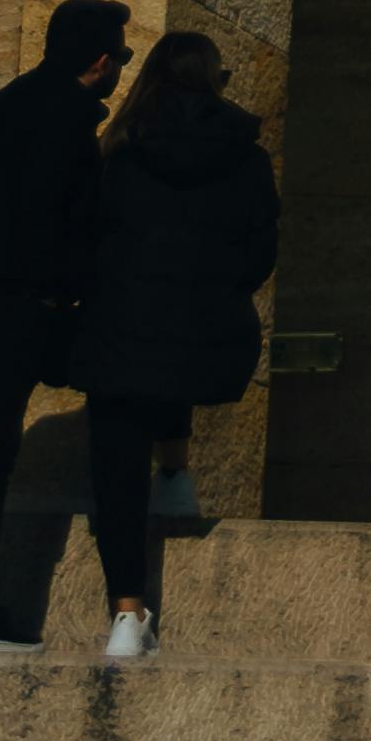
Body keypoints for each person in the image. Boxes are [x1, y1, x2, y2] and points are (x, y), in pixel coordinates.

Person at [0, 0, 131, 647]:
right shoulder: (62, 120)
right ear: (100, 61)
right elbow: (54, 229)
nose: (121, 67)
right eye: (120, 55)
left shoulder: (8, 106)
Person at [70, 32, 277, 665]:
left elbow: (84, 234)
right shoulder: (246, 155)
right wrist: (217, 292)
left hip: (121, 321)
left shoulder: (119, 149)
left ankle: (127, 617)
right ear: (214, 78)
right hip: (199, 326)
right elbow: (259, 250)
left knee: (114, 464)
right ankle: (176, 472)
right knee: (168, 370)